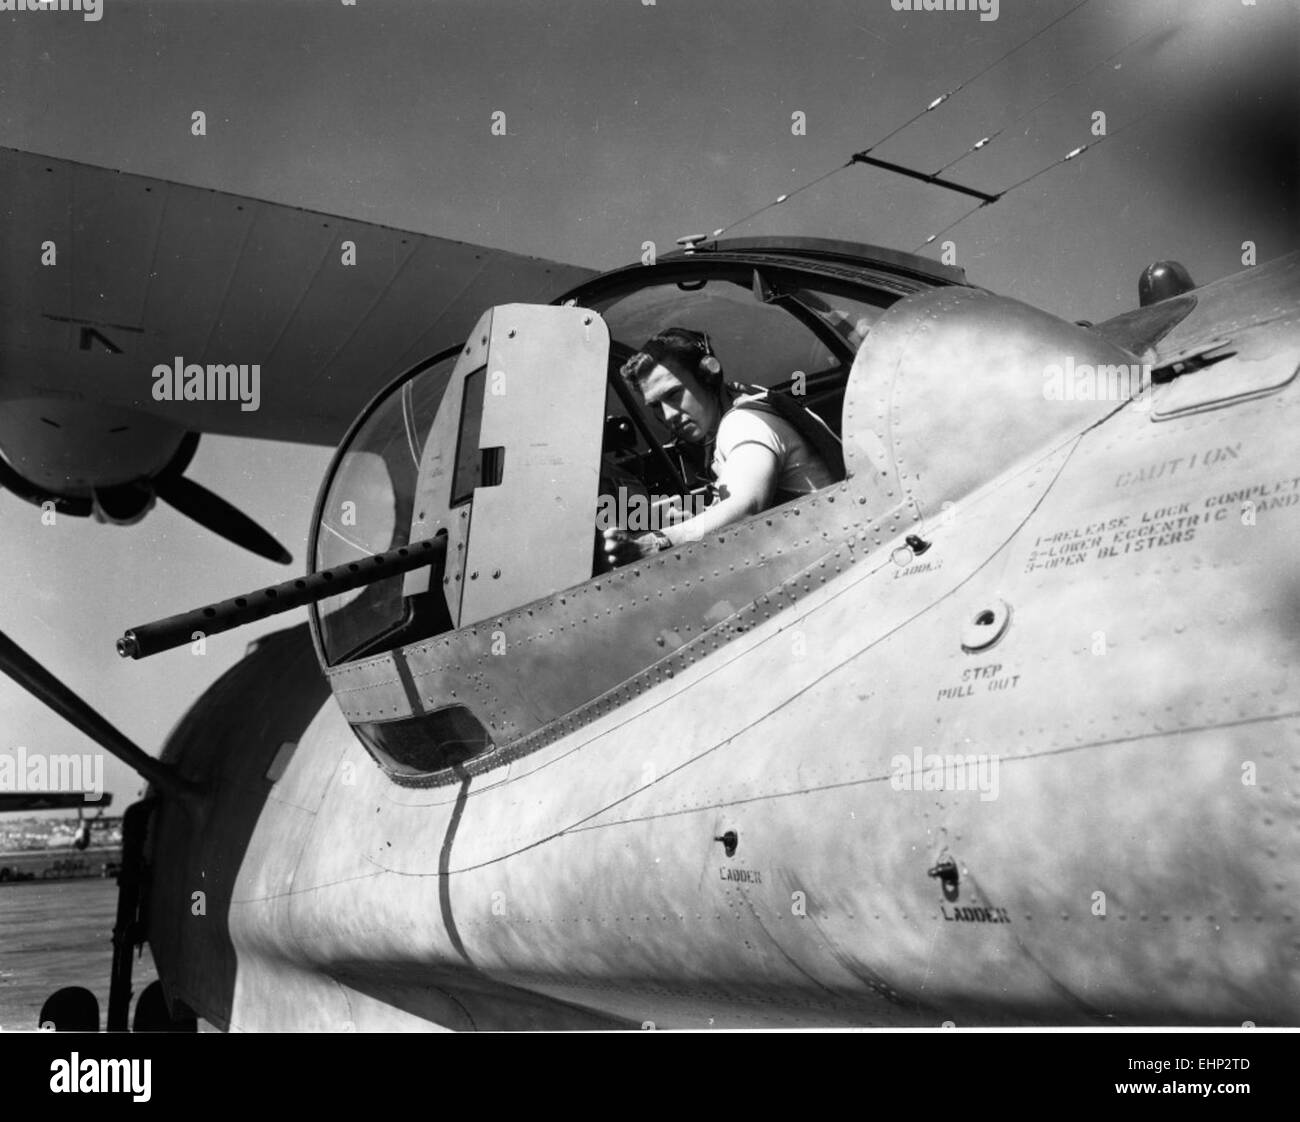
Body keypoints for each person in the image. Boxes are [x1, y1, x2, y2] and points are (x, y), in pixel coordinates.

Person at [603, 327, 837, 566]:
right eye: (655, 406)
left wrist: (658, 542)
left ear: (707, 376)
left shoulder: (743, 424)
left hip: (827, 559)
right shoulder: (748, 399)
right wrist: (699, 519)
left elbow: (745, 506)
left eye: (674, 394)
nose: (668, 415)